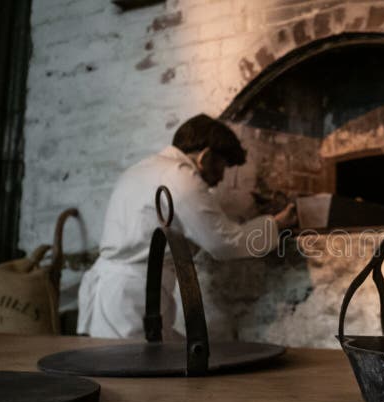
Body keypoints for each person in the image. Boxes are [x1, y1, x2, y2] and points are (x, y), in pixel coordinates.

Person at [77, 114, 296, 338]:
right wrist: (276, 224)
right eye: (221, 166)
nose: (221, 178)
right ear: (206, 156)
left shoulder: (142, 168)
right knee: (145, 367)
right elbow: (223, 243)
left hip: (112, 293)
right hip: (132, 300)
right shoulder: (180, 176)